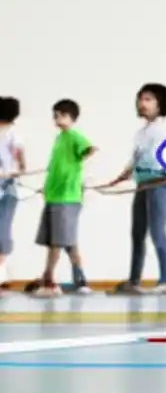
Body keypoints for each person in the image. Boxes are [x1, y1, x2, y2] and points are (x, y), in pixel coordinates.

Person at [105, 84, 166, 294]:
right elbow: (137, 158)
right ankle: (134, 281)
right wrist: (123, 175)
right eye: (141, 99)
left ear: (161, 104)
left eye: (148, 99)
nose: (142, 103)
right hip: (143, 183)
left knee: (157, 231)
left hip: (162, 183)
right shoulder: (141, 133)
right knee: (137, 232)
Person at [34, 99, 97, 298]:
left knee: (57, 241)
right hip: (54, 196)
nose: (57, 118)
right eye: (55, 115)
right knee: (68, 242)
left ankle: (48, 280)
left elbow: (90, 148)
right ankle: (81, 281)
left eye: (61, 114)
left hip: (68, 197)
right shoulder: (59, 139)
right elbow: (55, 166)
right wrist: (46, 186)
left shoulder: (74, 136)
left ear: (71, 117)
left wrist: (76, 172)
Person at [0, 97, 25, 282]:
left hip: (7, 189)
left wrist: (12, 173)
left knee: (3, 230)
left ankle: (0, 274)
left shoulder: (14, 137)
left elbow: (21, 165)